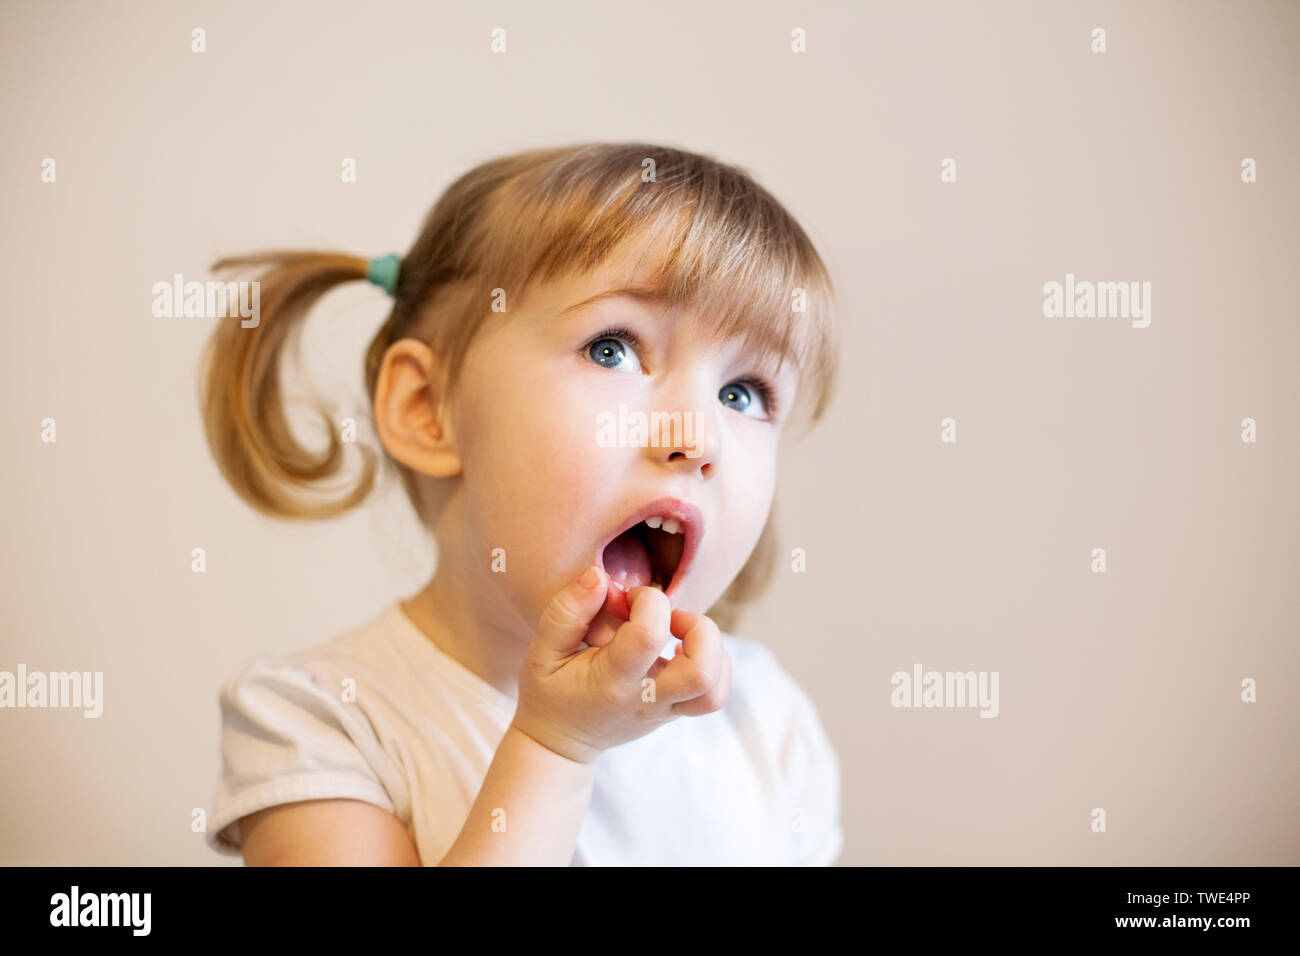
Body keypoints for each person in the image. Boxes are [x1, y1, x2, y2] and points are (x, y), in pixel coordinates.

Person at [200, 142, 844, 865]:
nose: (699, 439)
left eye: (742, 394)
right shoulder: (320, 722)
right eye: (612, 349)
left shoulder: (769, 725)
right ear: (427, 407)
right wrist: (557, 746)